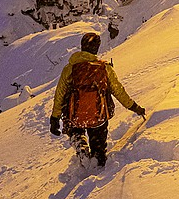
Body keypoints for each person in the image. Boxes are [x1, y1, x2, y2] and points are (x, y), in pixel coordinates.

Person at [49, 32, 145, 167]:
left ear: (82, 46)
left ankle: (79, 142)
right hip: (98, 117)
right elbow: (118, 91)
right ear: (96, 48)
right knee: (99, 149)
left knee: (74, 129)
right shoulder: (104, 68)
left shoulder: (70, 68)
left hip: (74, 116)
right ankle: (97, 165)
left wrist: (54, 118)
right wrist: (134, 107)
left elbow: (60, 94)